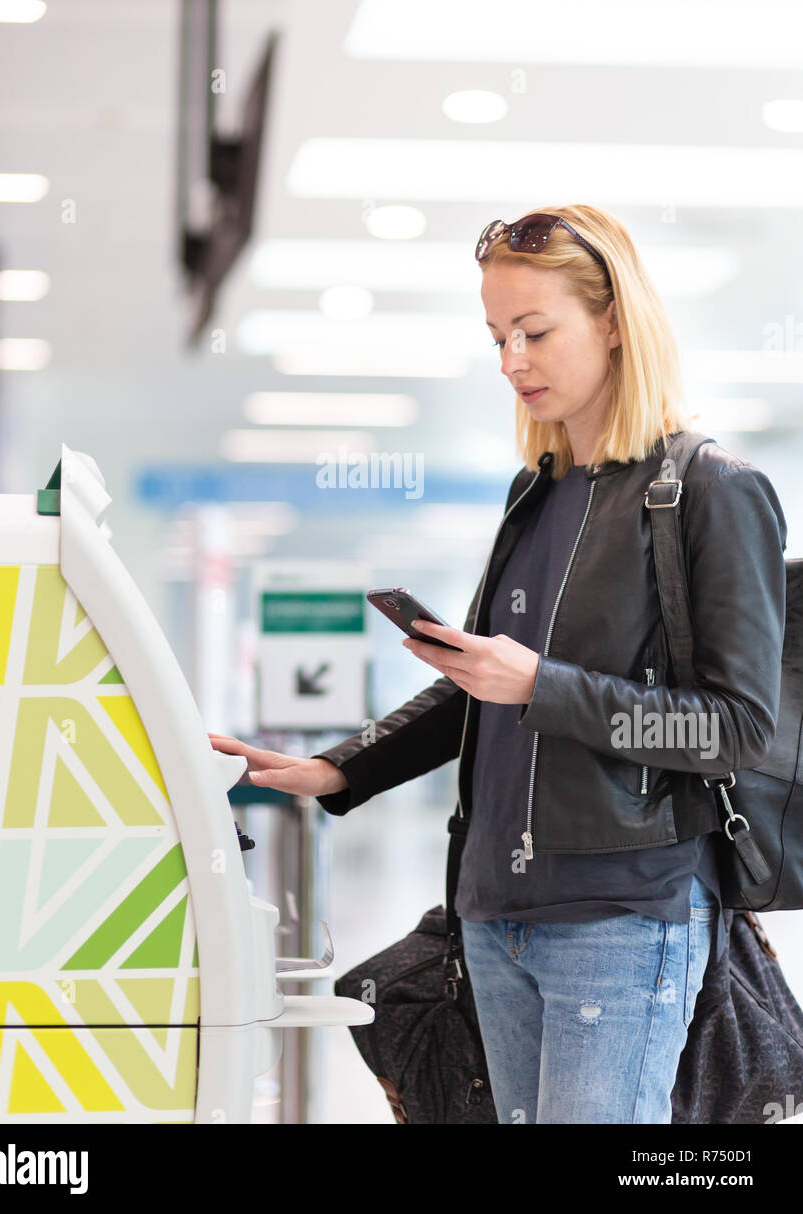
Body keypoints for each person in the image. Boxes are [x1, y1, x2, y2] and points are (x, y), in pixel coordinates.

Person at [209, 204, 787, 1125]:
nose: (512, 360)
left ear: (611, 322)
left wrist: (542, 686)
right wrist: (339, 768)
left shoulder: (711, 492)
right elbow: (476, 689)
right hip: (492, 915)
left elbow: (735, 728)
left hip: (623, 917)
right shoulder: (538, 494)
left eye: (534, 331)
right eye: (497, 337)